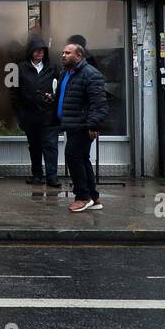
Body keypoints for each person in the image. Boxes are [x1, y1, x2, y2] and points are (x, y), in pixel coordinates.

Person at [53, 42, 107, 213]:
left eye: (68, 53)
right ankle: (93, 196)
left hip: (82, 125)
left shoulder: (90, 74)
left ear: (79, 56)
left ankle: (83, 197)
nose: (63, 55)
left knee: (73, 157)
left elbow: (99, 103)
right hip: (72, 123)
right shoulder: (67, 73)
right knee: (82, 159)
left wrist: (93, 124)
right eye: (63, 52)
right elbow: (67, 95)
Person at [16, 37, 60, 187]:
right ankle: (37, 175)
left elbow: (60, 88)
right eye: (36, 50)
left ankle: (52, 176)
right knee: (34, 146)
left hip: (49, 115)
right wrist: (19, 113)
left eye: (42, 50)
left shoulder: (53, 67)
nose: (39, 53)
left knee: (50, 146)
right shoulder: (21, 67)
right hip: (30, 115)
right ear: (30, 52)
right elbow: (15, 91)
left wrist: (53, 97)